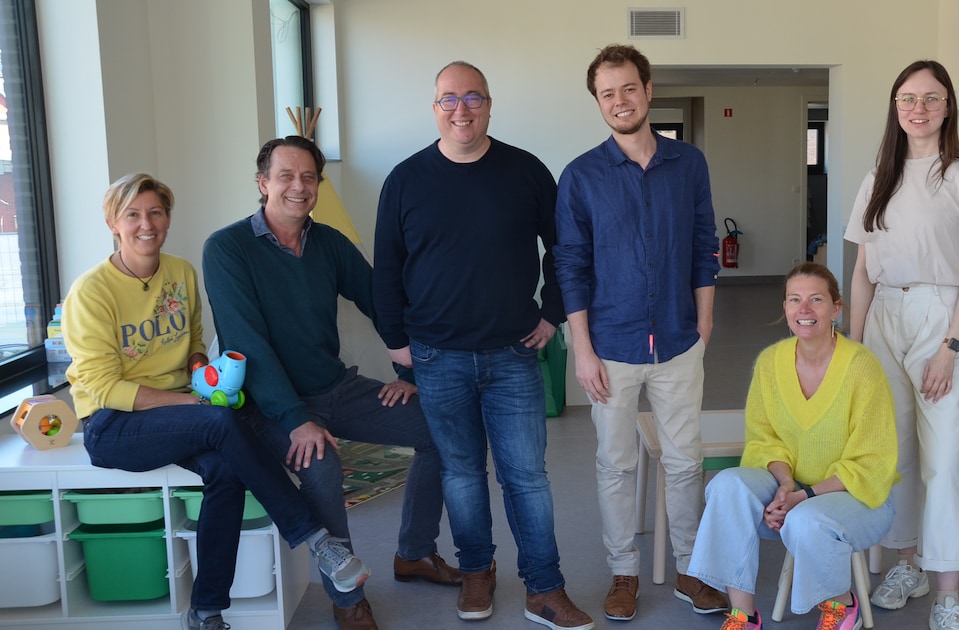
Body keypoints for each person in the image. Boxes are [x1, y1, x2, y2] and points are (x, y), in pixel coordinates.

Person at [63, 173, 370, 630]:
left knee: (227, 471)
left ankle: (207, 611)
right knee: (223, 424)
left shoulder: (181, 272)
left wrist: (203, 373)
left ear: (167, 218)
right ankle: (315, 539)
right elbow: (105, 388)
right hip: (113, 425)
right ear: (113, 222)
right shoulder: (91, 292)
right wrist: (191, 405)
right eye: (133, 214)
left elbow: (191, 341)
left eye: (156, 212)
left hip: (179, 414)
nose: (146, 224)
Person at [202, 137, 457, 630]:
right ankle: (346, 596)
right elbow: (246, 342)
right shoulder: (228, 248)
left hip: (336, 388)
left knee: (440, 429)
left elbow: (384, 305)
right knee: (321, 469)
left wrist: (408, 374)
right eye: (285, 176)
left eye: (309, 177)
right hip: (268, 406)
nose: (298, 187)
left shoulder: (330, 244)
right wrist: (296, 420)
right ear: (262, 183)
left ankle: (414, 553)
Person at [372, 60, 593, 630]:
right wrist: (397, 343)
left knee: (527, 477)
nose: (461, 109)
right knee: (462, 474)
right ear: (435, 107)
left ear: (490, 104)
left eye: (473, 97)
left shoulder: (525, 172)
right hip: (437, 357)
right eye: (449, 98)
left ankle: (544, 587)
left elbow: (564, 249)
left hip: (513, 354)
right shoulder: (405, 179)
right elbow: (388, 267)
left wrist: (552, 316)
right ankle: (477, 571)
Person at [555, 43, 728, 622]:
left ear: (649, 90)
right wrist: (581, 349)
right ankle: (623, 571)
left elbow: (705, 243)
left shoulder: (690, 164)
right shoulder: (580, 176)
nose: (620, 100)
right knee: (616, 464)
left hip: (680, 339)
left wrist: (704, 318)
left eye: (629, 87)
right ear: (598, 102)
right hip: (610, 346)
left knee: (685, 460)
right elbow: (570, 266)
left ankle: (690, 569)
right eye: (608, 93)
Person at [844, 59, 959, 630]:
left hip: (941, 314)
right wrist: (855, 346)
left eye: (931, 98)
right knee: (895, 458)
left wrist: (950, 346)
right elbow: (862, 269)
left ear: (947, 107)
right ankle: (906, 565)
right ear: (895, 107)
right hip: (885, 312)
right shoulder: (876, 178)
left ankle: (946, 595)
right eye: (908, 98)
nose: (918, 108)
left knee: (941, 462)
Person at [686, 262, 899, 630]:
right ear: (784, 308)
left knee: (806, 519)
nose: (804, 310)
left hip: (860, 499)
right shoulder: (771, 362)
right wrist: (786, 486)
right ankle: (743, 614)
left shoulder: (862, 367)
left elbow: (871, 463)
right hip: (792, 494)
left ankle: (841, 605)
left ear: (836, 308)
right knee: (726, 485)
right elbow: (764, 439)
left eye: (816, 300)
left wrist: (805, 495)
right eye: (795, 300)